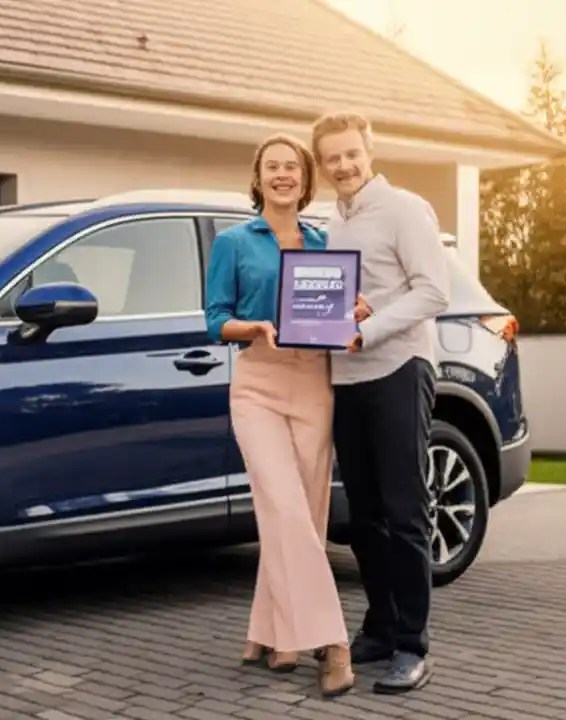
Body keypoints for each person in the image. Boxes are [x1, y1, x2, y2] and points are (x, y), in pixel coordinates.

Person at [204, 133, 357, 698]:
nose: (283, 175)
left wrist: (352, 311)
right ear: (258, 177)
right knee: (286, 507)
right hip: (259, 386)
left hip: (314, 383)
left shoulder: (324, 243)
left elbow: (336, 312)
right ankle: (332, 642)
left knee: (302, 516)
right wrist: (255, 327)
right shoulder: (235, 242)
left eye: (292, 167)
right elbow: (214, 318)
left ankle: (272, 632)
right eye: (273, 167)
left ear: (305, 178)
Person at [311, 111, 450, 694]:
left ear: (369, 152)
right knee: (363, 514)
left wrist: (370, 330)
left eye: (351, 154)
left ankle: (413, 645)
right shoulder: (330, 225)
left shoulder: (405, 209)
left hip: (398, 368)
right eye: (332, 158)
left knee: (403, 509)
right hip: (346, 380)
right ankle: (381, 624)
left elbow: (433, 291)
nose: (343, 166)